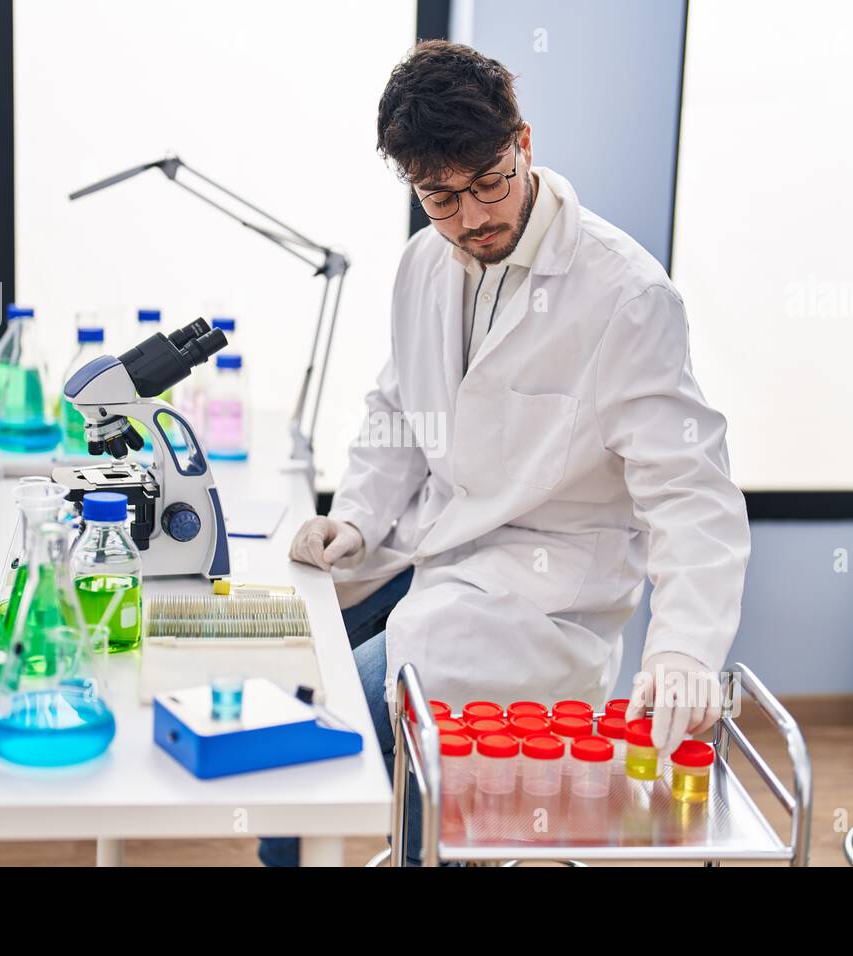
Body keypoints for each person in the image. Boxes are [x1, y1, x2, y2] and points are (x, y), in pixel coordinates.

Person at [259, 39, 750, 867]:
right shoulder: (423, 264)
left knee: (334, 726)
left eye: (488, 183)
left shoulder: (625, 296)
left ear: (524, 143)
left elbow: (689, 491)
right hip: (428, 552)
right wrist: (356, 517)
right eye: (440, 197)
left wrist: (683, 649)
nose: (473, 217)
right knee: (288, 685)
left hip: (538, 602)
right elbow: (398, 410)